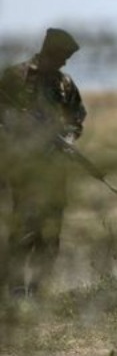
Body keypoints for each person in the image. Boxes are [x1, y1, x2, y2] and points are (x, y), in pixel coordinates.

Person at [0, 28, 86, 299]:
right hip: (24, 165)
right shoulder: (16, 76)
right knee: (24, 227)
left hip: (54, 166)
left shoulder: (65, 83)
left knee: (50, 230)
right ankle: (15, 289)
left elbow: (77, 117)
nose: (65, 62)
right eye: (63, 56)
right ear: (50, 51)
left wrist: (68, 139)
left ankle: (39, 290)